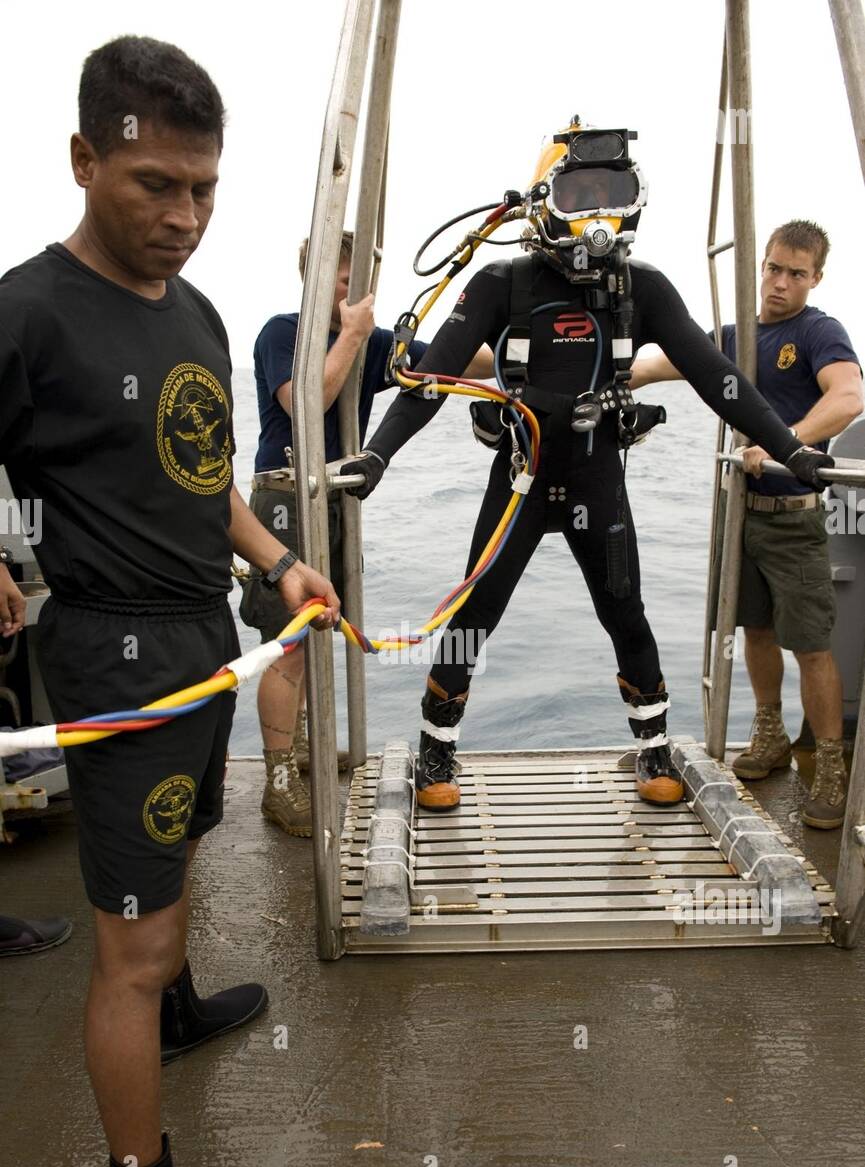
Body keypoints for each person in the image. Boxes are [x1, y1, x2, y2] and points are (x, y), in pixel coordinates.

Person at [0, 36, 339, 1167]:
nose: (186, 217)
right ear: (86, 159)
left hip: (206, 638)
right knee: (124, 951)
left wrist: (280, 562)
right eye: (157, 187)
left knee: (181, 857)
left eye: (205, 188)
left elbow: (205, 483)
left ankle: (179, 1007)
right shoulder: (25, 311)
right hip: (114, 656)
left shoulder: (192, 310)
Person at [340, 119, 834, 810]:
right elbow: (429, 379)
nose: (599, 213)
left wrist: (790, 449)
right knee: (473, 614)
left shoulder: (644, 289)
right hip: (519, 479)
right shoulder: (499, 283)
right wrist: (376, 455)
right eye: (581, 195)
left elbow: (718, 378)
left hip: (597, 478)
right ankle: (435, 748)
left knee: (624, 611)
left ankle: (653, 745)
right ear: (545, 201)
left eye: (613, 193)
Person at [242, 233, 493, 834]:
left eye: (358, 282)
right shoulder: (284, 333)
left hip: (334, 496)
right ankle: (278, 784)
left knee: (320, 633)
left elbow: (448, 358)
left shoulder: (377, 344)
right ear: (311, 277)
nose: (349, 294)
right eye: (337, 279)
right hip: (285, 496)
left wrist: (521, 355)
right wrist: (353, 333)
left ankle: (301, 750)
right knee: (289, 645)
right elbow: (309, 402)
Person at [631, 220, 862, 828]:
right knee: (754, 630)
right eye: (773, 268)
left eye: (796, 273)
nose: (780, 283)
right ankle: (770, 737)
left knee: (811, 647)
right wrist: (607, 372)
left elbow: (848, 398)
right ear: (760, 266)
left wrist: (782, 444)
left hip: (793, 517)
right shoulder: (735, 334)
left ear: (816, 278)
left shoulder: (818, 331)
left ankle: (831, 769)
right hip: (741, 514)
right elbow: (666, 361)